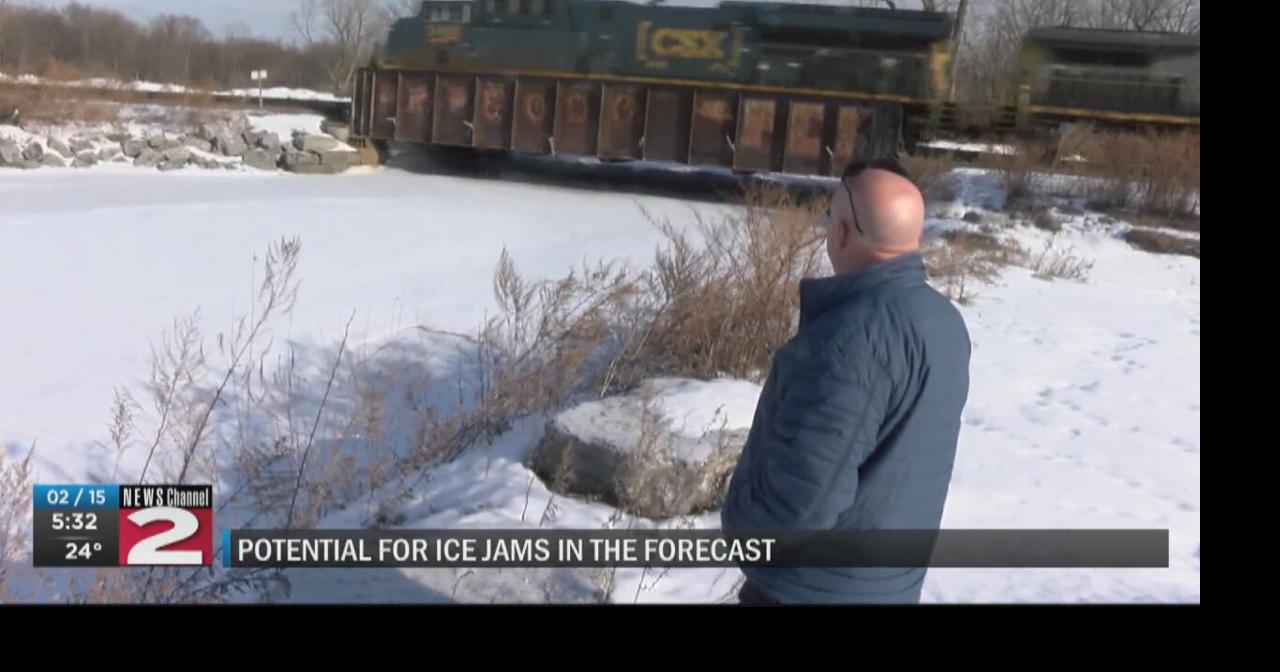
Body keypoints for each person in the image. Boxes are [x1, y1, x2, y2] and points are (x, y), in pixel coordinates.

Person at [721, 159, 971, 604]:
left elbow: (800, 507)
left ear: (839, 232)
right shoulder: (944, 323)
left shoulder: (849, 341)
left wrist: (740, 520)